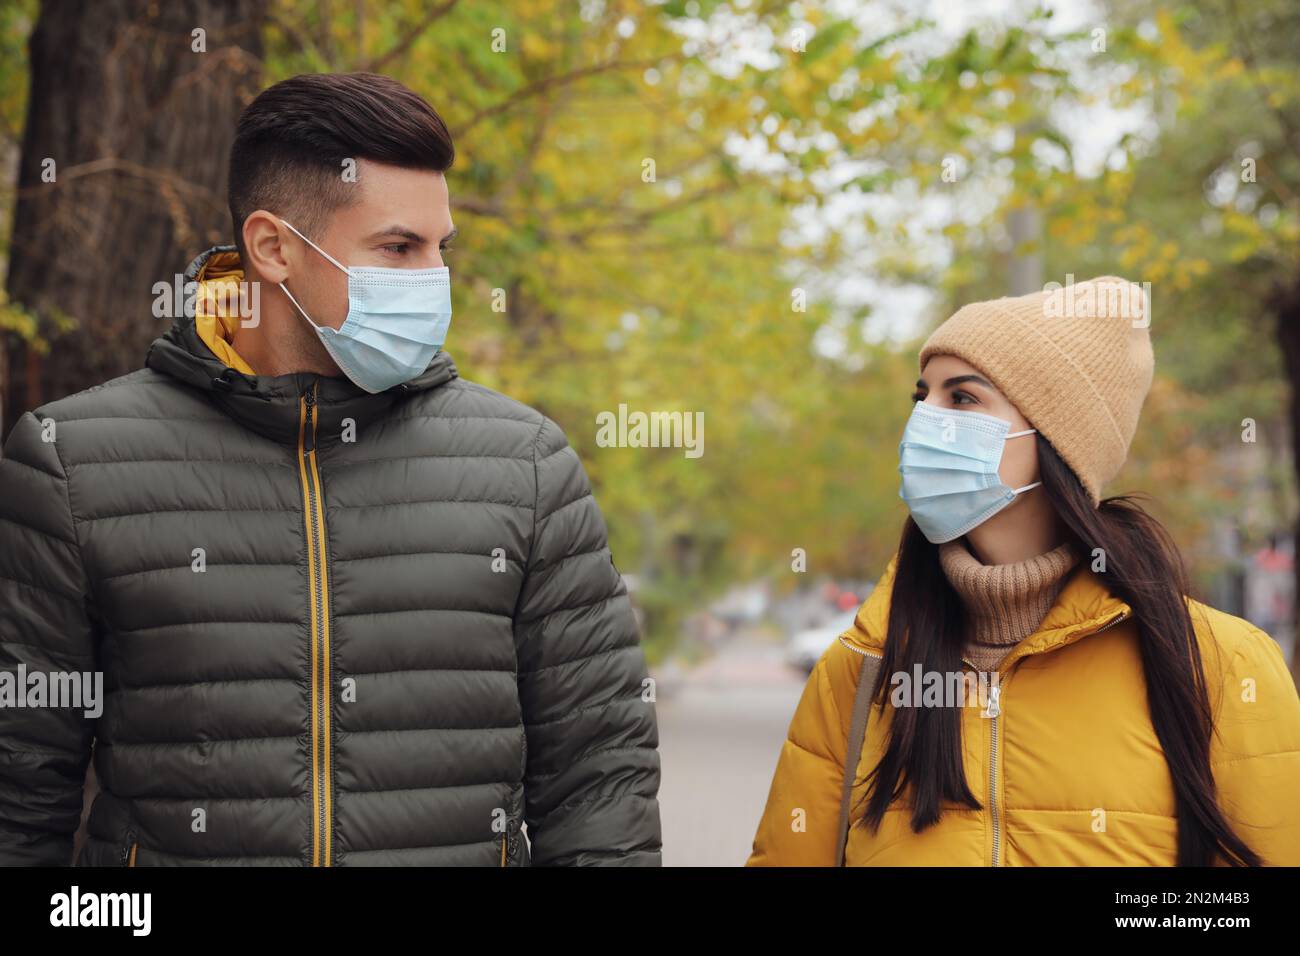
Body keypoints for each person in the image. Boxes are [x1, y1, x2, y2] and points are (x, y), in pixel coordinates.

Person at [0, 73, 662, 866]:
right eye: (397, 247)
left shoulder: (524, 464)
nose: (431, 279)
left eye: (438, 249)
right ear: (274, 248)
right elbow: (20, 787)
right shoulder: (72, 461)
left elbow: (598, 781)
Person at [747, 276, 1300, 866]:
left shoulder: (1217, 664)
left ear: (1058, 441)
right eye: (922, 396)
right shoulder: (860, 673)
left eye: (962, 398)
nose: (923, 421)